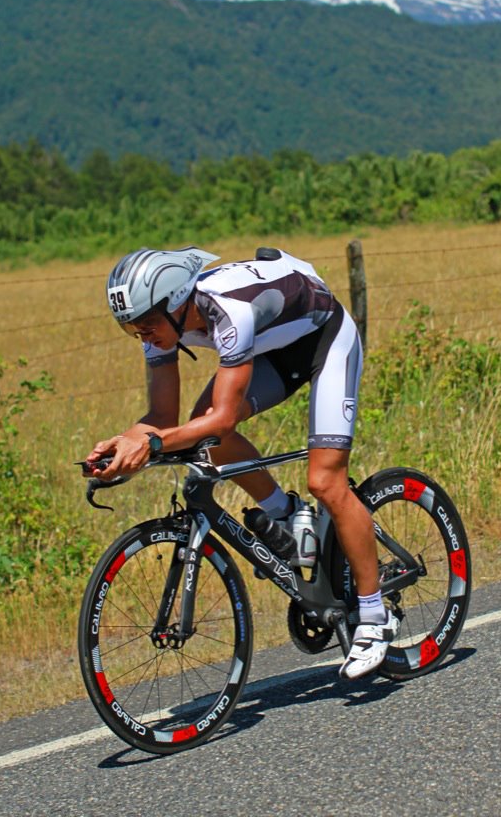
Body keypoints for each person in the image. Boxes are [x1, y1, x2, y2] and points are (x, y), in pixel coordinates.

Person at [85, 245, 399, 678]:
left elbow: (223, 419)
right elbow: (161, 418)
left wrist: (154, 445)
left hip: (325, 338)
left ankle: (374, 615)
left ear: (176, 302)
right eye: (131, 329)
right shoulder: (161, 327)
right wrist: (123, 443)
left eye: (146, 325)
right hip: (272, 345)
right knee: (201, 432)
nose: (142, 335)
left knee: (326, 482)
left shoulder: (227, 311)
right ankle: (287, 516)